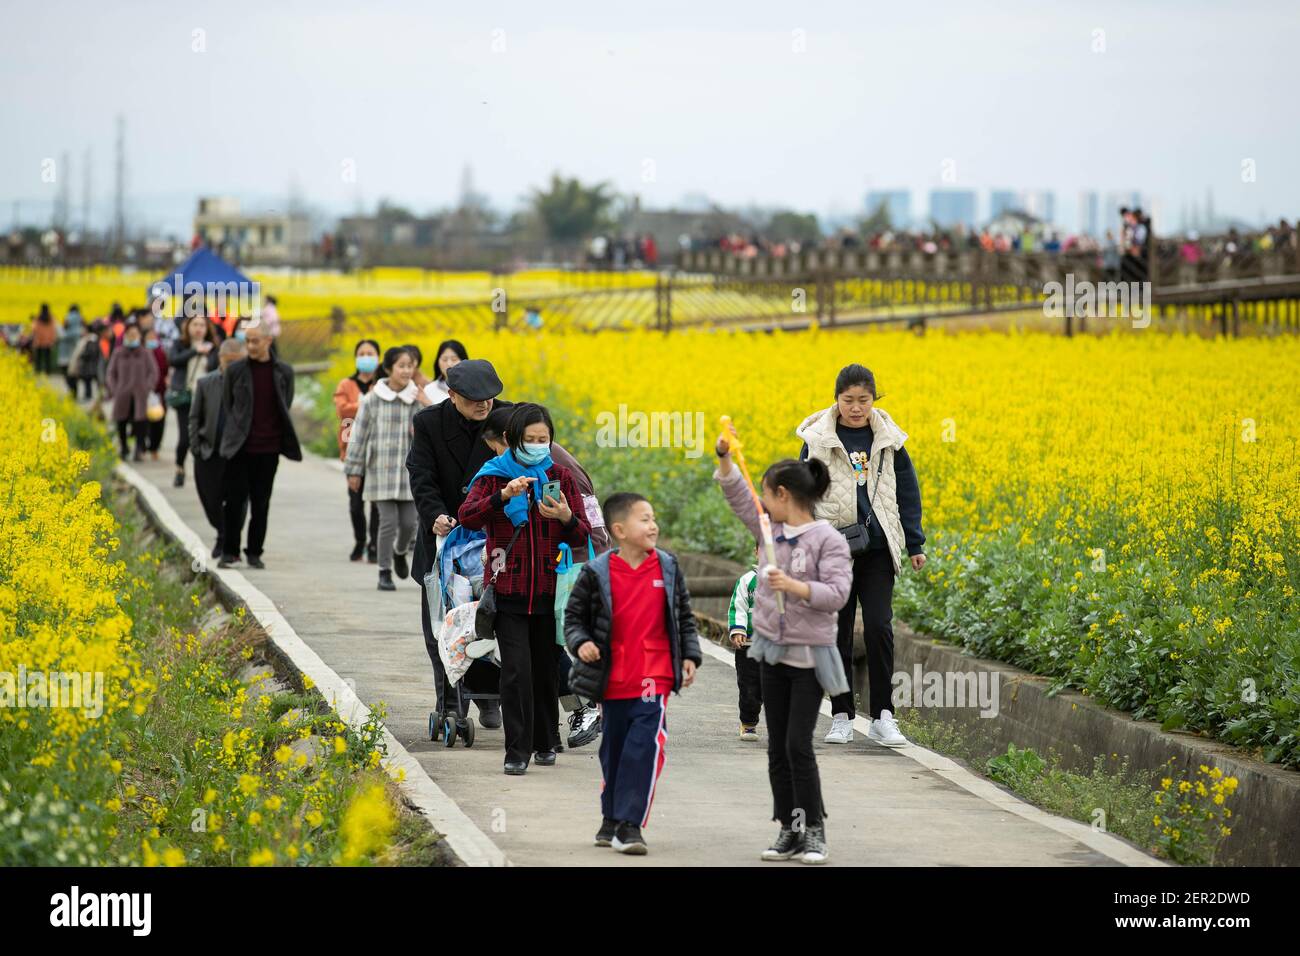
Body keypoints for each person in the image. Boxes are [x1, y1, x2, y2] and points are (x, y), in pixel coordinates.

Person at [714, 442, 853, 865]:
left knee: (797, 746)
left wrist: (793, 587)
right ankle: (788, 830)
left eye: (766, 492)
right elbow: (739, 497)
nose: (760, 499)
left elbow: (838, 594)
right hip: (770, 654)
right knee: (777, 749)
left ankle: (814, 830)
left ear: (784, 495)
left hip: (810, 658)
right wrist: (725, 459)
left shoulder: (827, 539)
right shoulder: (767, 531)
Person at [457, 402, 592, 775]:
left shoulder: (560, 477)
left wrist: (564, 516)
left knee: (545, 669)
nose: (536, 445)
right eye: (529, 439)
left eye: (543, 439)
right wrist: (502, 497)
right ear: (512, 440)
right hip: (509, 589)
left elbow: (583, 532)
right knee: (516, 672)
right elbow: (467, 516)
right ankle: (516, 752)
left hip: (551, 591)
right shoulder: (493, 477)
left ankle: (546, 739)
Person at [563, 492, 702, 855]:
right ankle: (611, 817)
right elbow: (574, 619)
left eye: (654, 517)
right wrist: (581, 644)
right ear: (620, 530)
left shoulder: (668, 568)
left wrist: (690, 656)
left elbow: (684, 619)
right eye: (644, 519)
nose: (653, 525)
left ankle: (630, 825)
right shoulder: (596, 573)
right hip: (611, 681)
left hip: (653, 682)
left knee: (644, 750)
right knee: (614, 752)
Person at [796, 364, 925, 748]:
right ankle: (841, 715)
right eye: (848, 400)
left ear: (873, 400)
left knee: (880, 627)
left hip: (877, 548)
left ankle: (885, 715)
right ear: (836, 399)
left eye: (863, 400)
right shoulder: (817, 439)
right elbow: (803, 494)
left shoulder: (889, 440)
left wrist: (915, 544)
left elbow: (907, 492)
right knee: (836, 630)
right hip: (834, 550)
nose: (856, 407)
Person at [480, 407, 609, 749]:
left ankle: (582, 707)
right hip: (540, 573)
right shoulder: (504, 473)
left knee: (553, 650)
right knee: (538, 656)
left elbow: (589, 527)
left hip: (570, 565)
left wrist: (568, 522)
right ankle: (542, 736)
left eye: (541, 440)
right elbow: (475, 512)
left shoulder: (560, 471)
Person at [406, 359, 512, 731]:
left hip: (495, 539)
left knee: (494, 623)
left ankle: (490, 697)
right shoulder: (429, 423)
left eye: (488, 398)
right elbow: (421, 476)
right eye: (473, 399)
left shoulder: (508, 420)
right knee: (443, 626)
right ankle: (450, 703)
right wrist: (433, 513)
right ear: (451, 395)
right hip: (444, 540)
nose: (483, 405)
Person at [217, 321, 302, 569]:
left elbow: (285, 402)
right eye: (248, 341)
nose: (251, 346)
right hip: (240, 447)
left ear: (268, 341)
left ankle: (254, 552)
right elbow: (229, 404)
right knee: (234, 501)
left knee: (261, 503)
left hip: (269, 448)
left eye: (255, 341)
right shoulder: (235, 371)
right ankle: (229, 552)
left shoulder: (284, 371)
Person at [345, 346, 421, 591]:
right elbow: (358, 435)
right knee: (387, 522)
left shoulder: (416, 400)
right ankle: (384, 571)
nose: (406, 370)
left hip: (408, 473)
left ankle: (400, 553)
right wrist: (354, 470)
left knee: (410, 524)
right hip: (380, 471)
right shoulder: (371, 400)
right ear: (388, 369)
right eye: (401, 366)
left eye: (410, 366)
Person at [190, 338, 248, 558]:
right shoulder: (206, 383)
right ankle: (221, 530)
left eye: (237, 361)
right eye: (228, 361)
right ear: (220, 360)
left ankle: (226, 539)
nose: (232, 366)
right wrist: (196, 446)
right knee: (211, 498)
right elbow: (195, 417)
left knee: (238, 499)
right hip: (210, 451)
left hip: (238, 452)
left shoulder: (247, 383)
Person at [334, 339, 382, 562]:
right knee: (355, 502)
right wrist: (367, 403)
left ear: (378, 357)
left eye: (370, 353)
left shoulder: (383, 384)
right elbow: (343, 412)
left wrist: (360, 405)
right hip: (352, 449)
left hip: (377, 452)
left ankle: (374, 545)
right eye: (361, 353)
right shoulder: (346, 384)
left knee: (376, 503)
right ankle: (360, 541)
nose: (366, 357)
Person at [168, 314, 219, 487]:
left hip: (205, 399)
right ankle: (179, 468)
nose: (198, 328)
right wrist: (194, 351)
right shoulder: (180, 344)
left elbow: (216, 368)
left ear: (207, 329)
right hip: (185, 397)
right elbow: (173, 360)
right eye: (195, 325)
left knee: (203, 437)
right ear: (188, 327)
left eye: (202, 325)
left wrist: (207, 352)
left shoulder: (213, 348)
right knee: (185, 438)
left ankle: (203, 474)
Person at [105, 321, 160, 461]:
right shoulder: (118, 353)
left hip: (140, 394)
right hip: (122, 394)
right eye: (130, 334)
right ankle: (123, 447)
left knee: (140, 422)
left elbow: (154, 372)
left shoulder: (145, 353)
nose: (132, 337)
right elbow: (111, 373)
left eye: (135, 334)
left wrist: (148, 387)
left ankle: (139, 449)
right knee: (121, 421)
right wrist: (114, 388)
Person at [728, 548, 762, 741]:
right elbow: (738, 607)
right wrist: (738, 629)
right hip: (749, 646)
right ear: (756, 552)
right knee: (749, 688)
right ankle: (748, 723)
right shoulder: (748, 580)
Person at [144, 322, 169, 461]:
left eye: (154, 337)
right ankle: (144, 445)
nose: (152, 340)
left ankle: (155, 447)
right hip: (144, 392)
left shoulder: (161, 352)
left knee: (159, 419)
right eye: (149, 337)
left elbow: (165, 369)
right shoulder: (141, 352)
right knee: (144, 421)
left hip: (160, 392)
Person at [422, 338, 467, 405]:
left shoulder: (472, 387)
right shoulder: (429, 390)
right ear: (438, 362)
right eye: (444, 359)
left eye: (454, 359)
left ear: (464, 361)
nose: (449, 364)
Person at [66, 319, 100, 402]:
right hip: (84, 365)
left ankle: (88, 396)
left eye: (83, 329)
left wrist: (82, 356)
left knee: (87, 381)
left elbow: (91, 352)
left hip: (88, 365)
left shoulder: (91, 340)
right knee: (85, 381)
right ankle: (83, 396)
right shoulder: (84, 339)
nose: (81, 331)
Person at [59, 304, 84, 390]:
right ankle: (75, 388)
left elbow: (64, 326)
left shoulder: (68, 317)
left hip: (66, 345)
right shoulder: (81, 317)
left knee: (66, 369)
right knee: (74, 369)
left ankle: (71, 387)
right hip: (77, 345)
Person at [30, 304, 58, 375]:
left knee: (38, 357)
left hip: (39, 340)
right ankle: (48, 371)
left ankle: (38, 371)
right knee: (47, 358)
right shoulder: (51, 318)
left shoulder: (38, 317)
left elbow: (33, 328)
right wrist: (53, 339)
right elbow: (54, 329)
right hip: (48, 341)